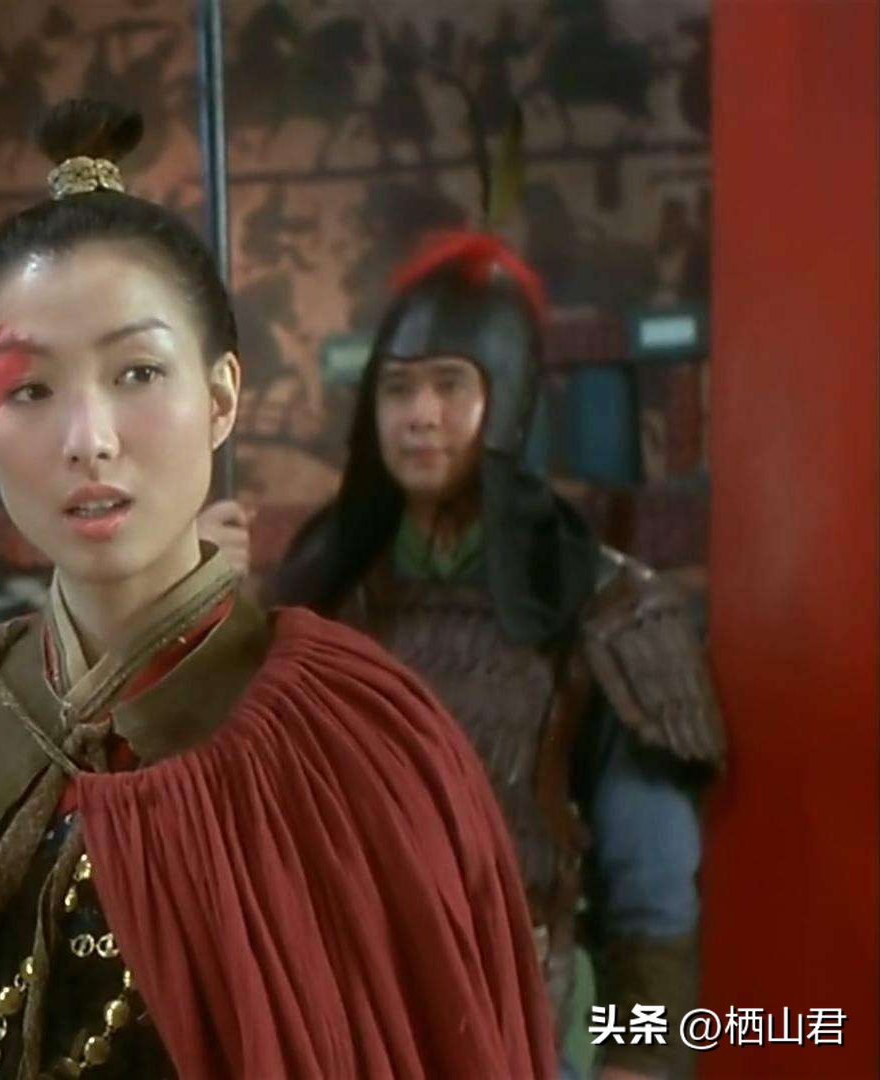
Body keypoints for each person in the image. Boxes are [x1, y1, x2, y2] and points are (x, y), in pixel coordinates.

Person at [0, 100, 553, 1079]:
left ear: (222, 397)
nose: (89, 438)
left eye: (136, 373)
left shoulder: (363, 738)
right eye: (30, 390)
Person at [270, 232, 726, 1079]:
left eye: (450, 385)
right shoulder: (318, 592)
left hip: (516, 1041)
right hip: (326, 1035)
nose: (420, 414)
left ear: (507, 397)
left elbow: (653, 899)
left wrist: (639, 1064)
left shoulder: (607, 609)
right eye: (398, 387)